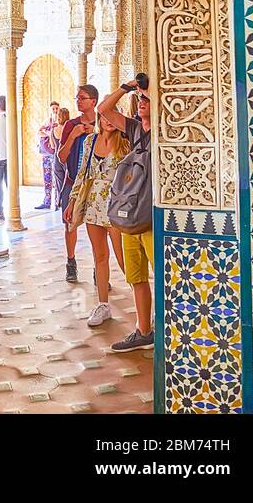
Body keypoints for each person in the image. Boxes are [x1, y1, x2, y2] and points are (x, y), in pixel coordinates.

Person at [99, 78, 156, 352]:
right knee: (136, 277)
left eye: (147, 100)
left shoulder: (164, 130)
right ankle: (143, 330)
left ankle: (171, 331)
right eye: (141, 101)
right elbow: (105, 109)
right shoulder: (133, 129)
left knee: (164, 275)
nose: (142, 103)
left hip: (154, 218)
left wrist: (151, 92)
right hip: (131, 216)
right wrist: (128, 87)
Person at [63, 117, 129, 327]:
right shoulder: (90, 141)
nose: (110, 121)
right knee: (99, 256)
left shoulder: (124, 142)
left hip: (116, 206)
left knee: (123, 258)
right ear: (100, 119)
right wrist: (72, 201)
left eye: (113, 116)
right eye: (105, 116)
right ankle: (103, 305)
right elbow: (83, 172)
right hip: (93, 203)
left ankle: (145, 303)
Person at [56, 85, 100, 283]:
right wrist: (73, 136)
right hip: (72, 182)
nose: (78, 101)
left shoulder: (103, 123)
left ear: (94, 101)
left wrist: (96, 132)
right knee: (70, 224)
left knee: (97, 227)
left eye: (82, 98)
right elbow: (62, 157)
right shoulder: (70, 125)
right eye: (77, 98)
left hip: (96, 184)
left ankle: (99, 267)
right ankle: (71, 262)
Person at [34, 101, 60, 209]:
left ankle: (57, 202)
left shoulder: (60, 121)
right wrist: (48, 134)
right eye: (53, 108)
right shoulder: (47, 121)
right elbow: (39, 132)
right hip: (46, 153)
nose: (54, 110)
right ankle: (47, 201)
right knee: (47, 177)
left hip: (55, 154)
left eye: (56, 108)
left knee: (57, 179)